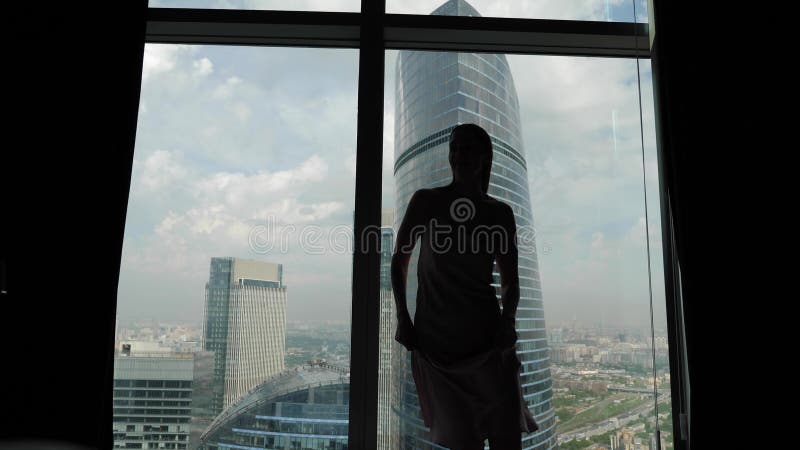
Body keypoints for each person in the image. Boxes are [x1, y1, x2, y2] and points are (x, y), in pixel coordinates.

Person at [391, 123, 538, 450]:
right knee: (463, 443)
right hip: (438, 345)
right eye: (455, 147)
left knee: (505, 440)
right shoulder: (425, 202)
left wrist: (508, 324)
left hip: (488, 342)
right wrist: (403, 318)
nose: (459, 155)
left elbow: (511, 281)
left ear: (485, 158)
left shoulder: (500, 213)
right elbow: (398, 262)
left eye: (468, 148)